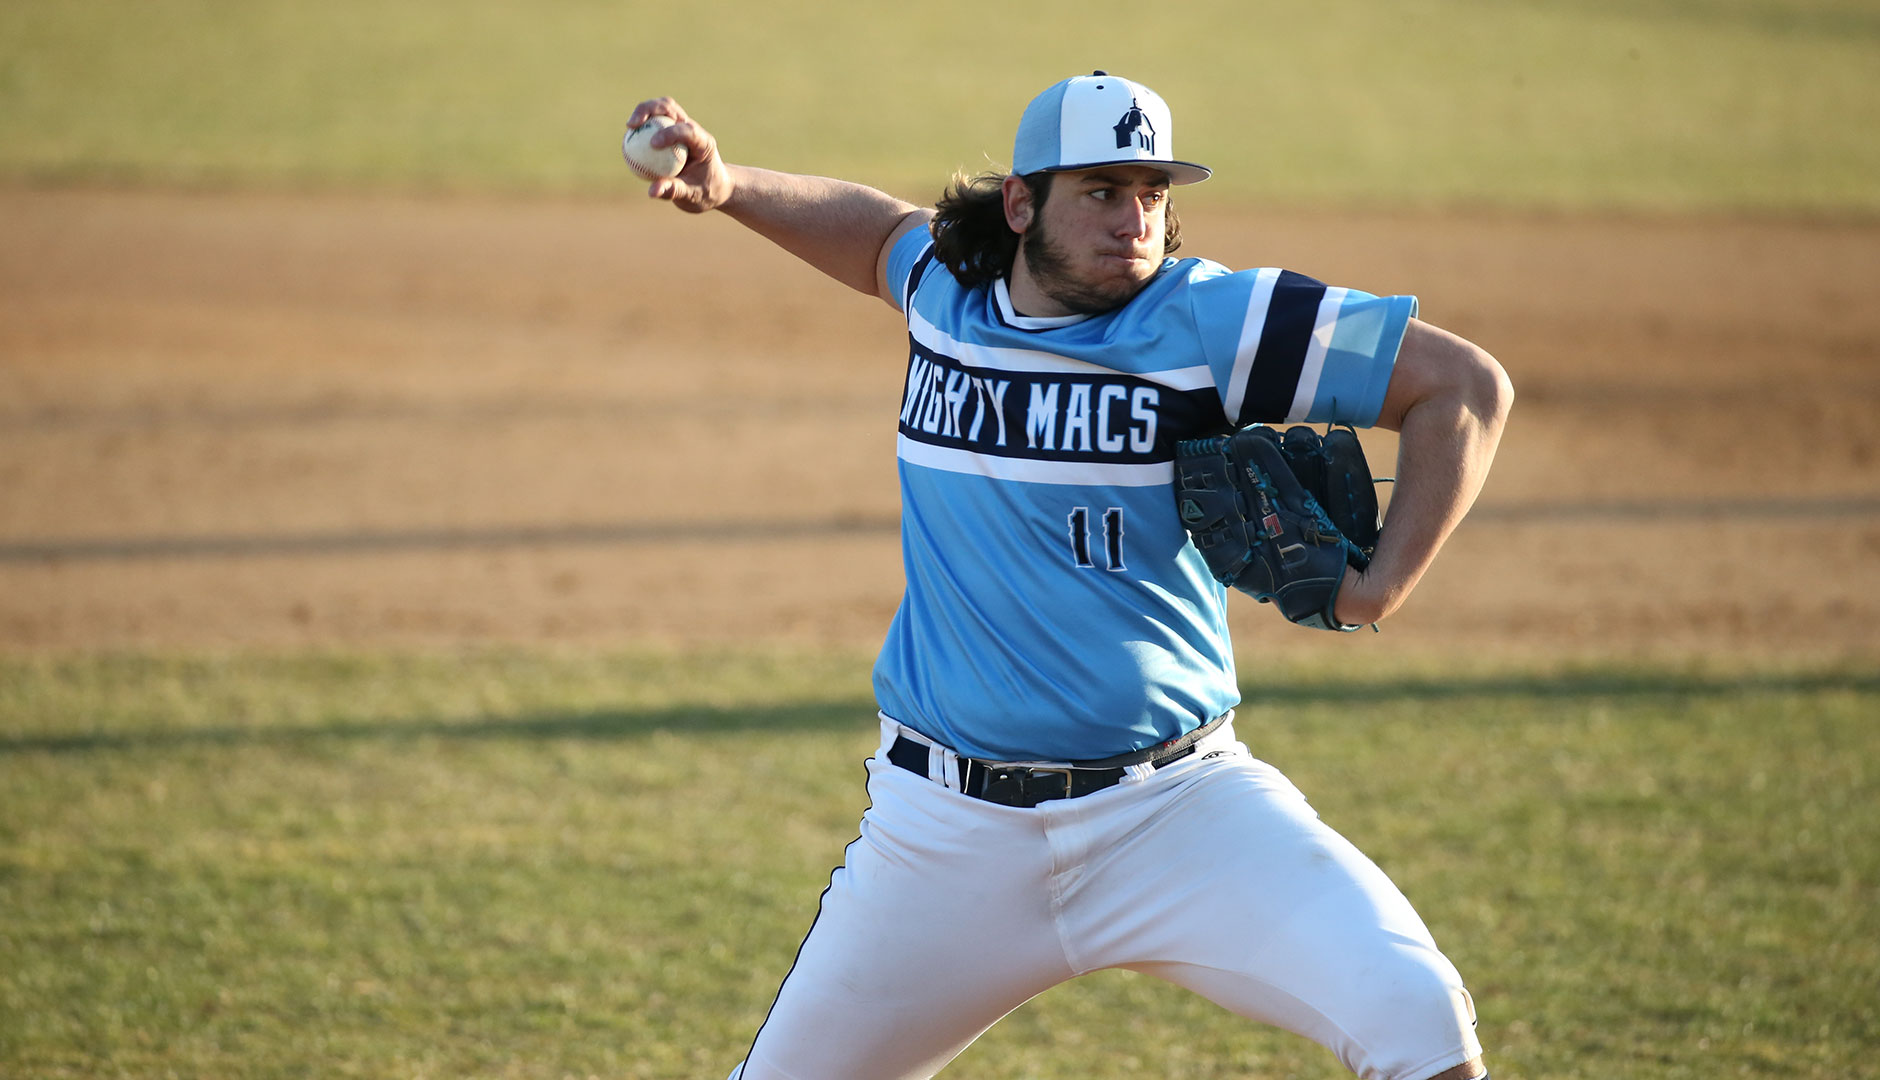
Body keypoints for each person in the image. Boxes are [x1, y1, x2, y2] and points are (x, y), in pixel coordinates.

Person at [626, 72, 1512, 1080]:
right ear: (1021, 203)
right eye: (1100, 191)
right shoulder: (948, 295)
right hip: (944, 843)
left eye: (1152, 193)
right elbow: (879, 238)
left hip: (1178, 814)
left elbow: (1464, 386)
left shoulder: (1215, 320)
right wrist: (729, 185)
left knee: (1418, 1018)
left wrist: (1377, 587)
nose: (1134, 220)